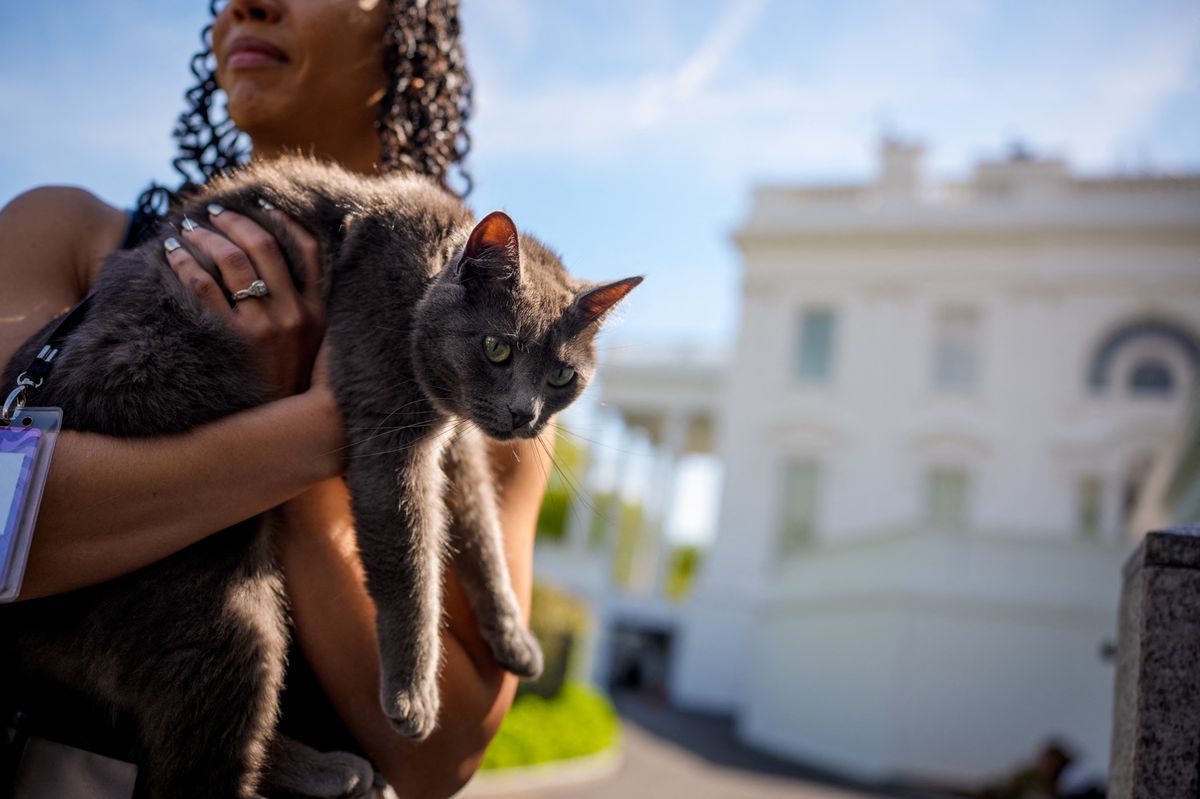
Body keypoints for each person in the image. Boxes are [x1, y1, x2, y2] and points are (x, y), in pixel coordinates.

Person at [0, 0, 549, 796]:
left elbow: (441, 756)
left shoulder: (492, 367)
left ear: (412, 28)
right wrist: (308, 429)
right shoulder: (68, 236)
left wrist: (346, 446)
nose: (248, 4)